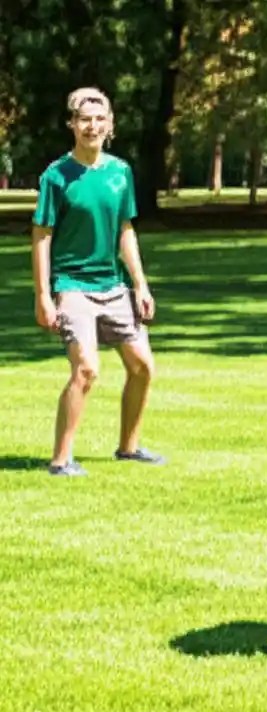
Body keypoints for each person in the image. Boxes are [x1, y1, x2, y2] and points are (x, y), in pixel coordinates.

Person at [32, 87, 164, 476]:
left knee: (142, 366)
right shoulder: (56, 177)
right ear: (72, 124)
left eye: (99, 118)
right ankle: (60, 460)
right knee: (86, 368)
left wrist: (140, 284)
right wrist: (44, 295)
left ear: (110, 124)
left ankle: (129, 448)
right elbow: (42, 236)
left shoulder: (120, 172)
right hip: (72, 286)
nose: (92, 125)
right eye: (84, 119)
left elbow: (125, 230)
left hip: (113, 285)